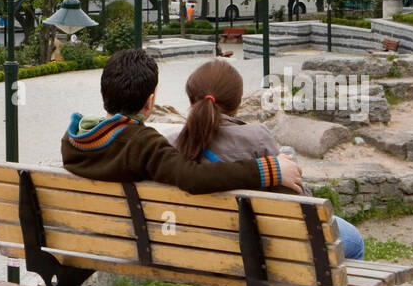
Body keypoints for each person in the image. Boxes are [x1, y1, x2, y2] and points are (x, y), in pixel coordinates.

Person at [171, 58, 377, 286]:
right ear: (237, 104)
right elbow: (300, 201)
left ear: (191, 100)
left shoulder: (176, 144)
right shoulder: (255, 136)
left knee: (236, 234)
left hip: (213, 248)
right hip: (274, 250)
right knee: (353, 240)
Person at [62, 47, 303, 197]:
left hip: (95, 239)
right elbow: (193, 178)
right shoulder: (144, 145)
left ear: (104, 92)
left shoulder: (73, 140)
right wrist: (267, 169)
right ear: (150, 102)